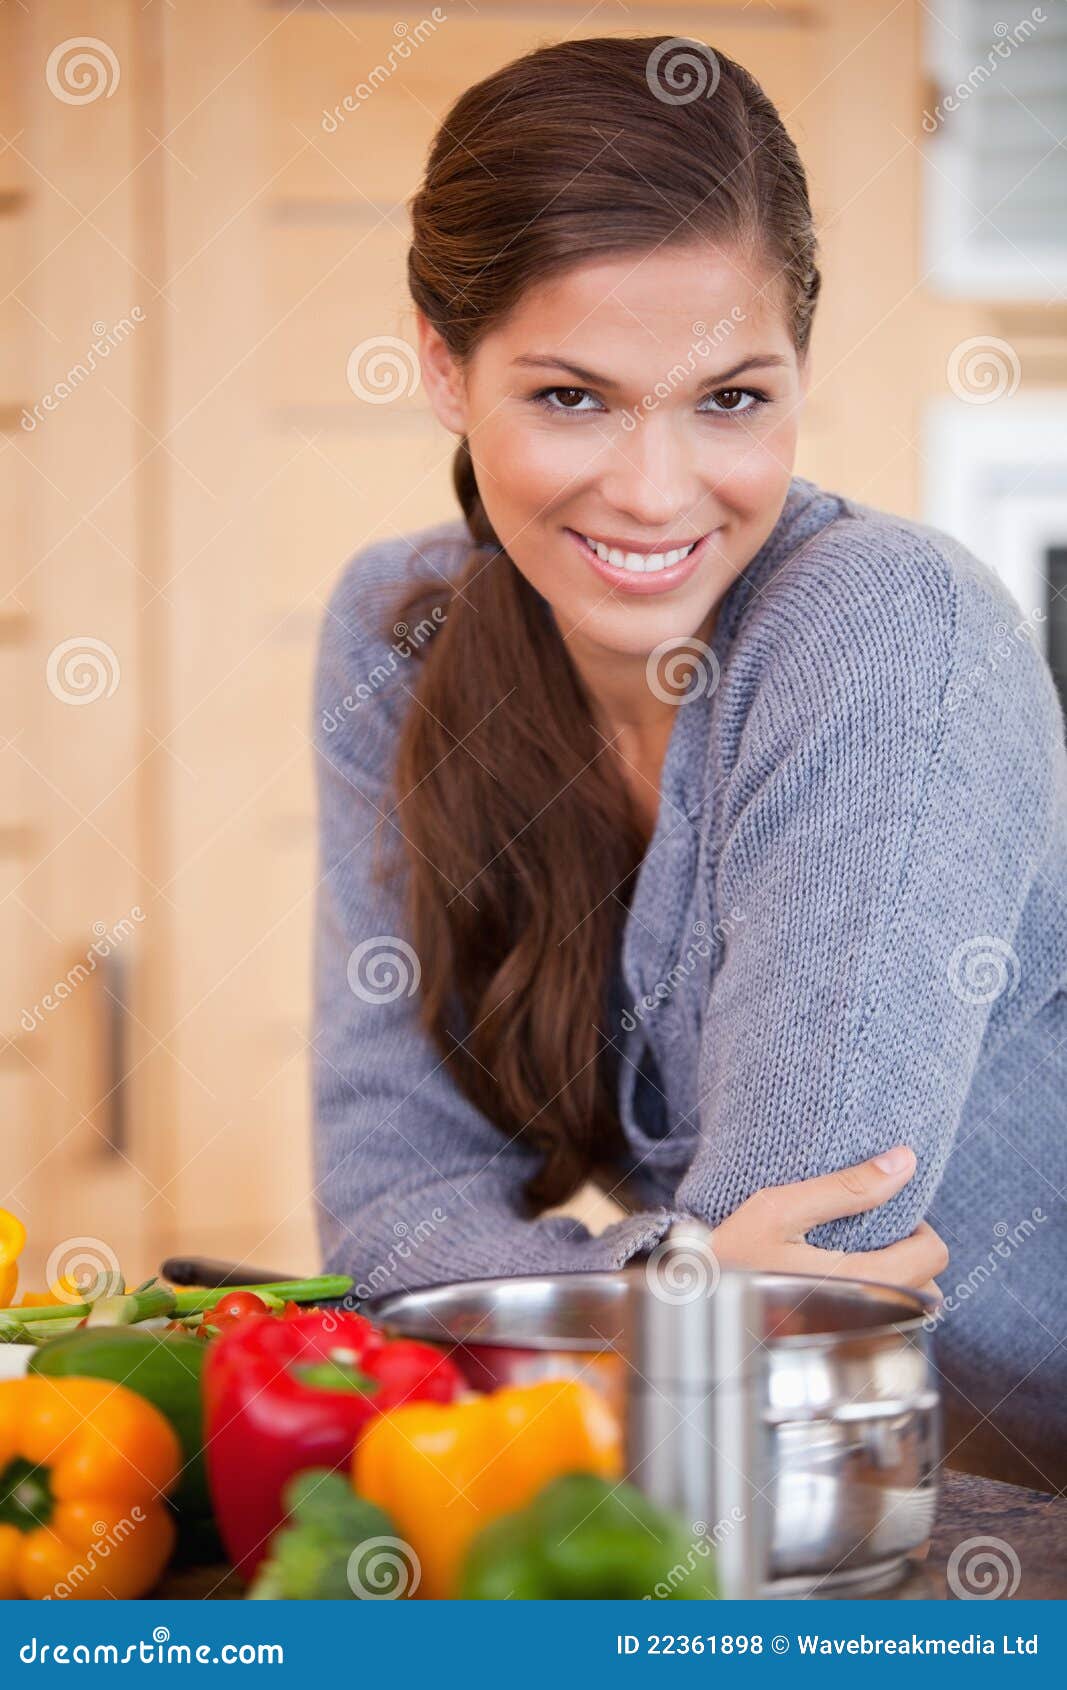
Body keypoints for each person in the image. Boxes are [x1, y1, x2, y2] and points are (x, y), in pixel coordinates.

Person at [310, 37, 1066, 1478]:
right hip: (816, 1507)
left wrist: (642, 1295)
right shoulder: (397, 641)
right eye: (570, 395)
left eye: (730, 397)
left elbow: (816, 1272)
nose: (657, 494)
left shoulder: (888, 628)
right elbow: (386, 1208)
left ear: (799, 371)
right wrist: (682, 1281)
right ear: (440, 364)